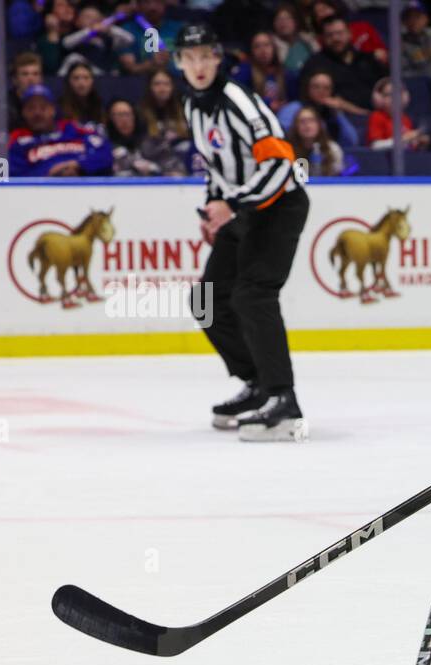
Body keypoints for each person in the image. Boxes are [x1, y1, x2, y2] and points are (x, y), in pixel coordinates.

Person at [177, 23, 310, 441]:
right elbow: (217, 167)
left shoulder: (239, 102)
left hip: (278, 206)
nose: (198, 65)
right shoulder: (192, 106)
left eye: (205, 56)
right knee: (206, 300)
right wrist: (213, 210)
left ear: (217, 58)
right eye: (189, 57)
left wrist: (231, 204)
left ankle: (282, 398)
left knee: (253, 294)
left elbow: (281, 162)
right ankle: (256, 385)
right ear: (179, 62)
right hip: (242, 211)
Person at [8, 84, 113, 176]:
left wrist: (78, 165)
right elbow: (12, 175)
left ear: (53, 110)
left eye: (43, 107)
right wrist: (49, 174)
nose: (37, 113)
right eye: (31, 108)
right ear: (23, 113)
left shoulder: (74, 129)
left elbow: (105, 154)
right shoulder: (18, 140)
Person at [299, 13, 386, 110]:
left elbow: (388, 89)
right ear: (322, 38)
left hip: (379, 119)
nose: (335, 38)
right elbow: (313, 101)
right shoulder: (314, 64)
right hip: (337, 120)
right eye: (329, 35)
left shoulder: (369, 59)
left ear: (350, 33)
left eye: (340, 33)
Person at [278, 70, 360, 145]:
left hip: (327, 154)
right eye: (316, 87)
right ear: (308, 89)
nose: (321, 91)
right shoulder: (293, 108)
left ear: (332, 91)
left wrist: (338, 114)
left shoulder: (333, 112)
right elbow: (281, 135)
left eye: (326, 88)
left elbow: (352, 140)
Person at [367, 77, 426, 149]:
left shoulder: (405, 119)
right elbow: (375, 146)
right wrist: (403, 140)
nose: (395, 98)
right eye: (389, 94)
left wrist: (417, 142)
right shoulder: (376, 117)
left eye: (399, 93)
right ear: (379, 98)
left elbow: (407, 145)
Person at [288, 105, 344, 174]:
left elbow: (338, 177)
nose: (307, 125)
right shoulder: (288, 149)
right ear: (296, 126)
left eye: (311, 120)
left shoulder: (332, 149)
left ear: (319, 124)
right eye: (302, 121)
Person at [400, 0, 431, 77]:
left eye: (417, 17)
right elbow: (404, 73)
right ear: (403, 21)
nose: (413, 21)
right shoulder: (400, 44)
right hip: (420, 85)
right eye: (409, 17)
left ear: (426, 19)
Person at [59, 60, 104, 126]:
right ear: (68, 81)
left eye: (86, 78)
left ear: (92, 81)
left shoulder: (99, 105)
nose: (81, 83)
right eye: (76, 78)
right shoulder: (60, 106)